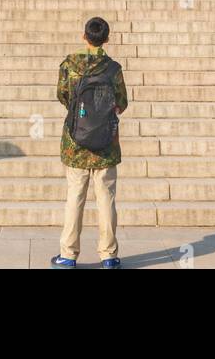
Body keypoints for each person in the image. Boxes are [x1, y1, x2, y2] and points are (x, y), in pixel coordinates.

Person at [51, 16, 128, 269]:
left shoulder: (70, 64)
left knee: (75, 197)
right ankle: (108, 256)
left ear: (84, 35)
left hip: (76, 142)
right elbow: (122, 103)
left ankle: (68, 255)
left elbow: (62, 95)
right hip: (106, 142)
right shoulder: (113, 69)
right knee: (106, 198)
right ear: (106, 38)